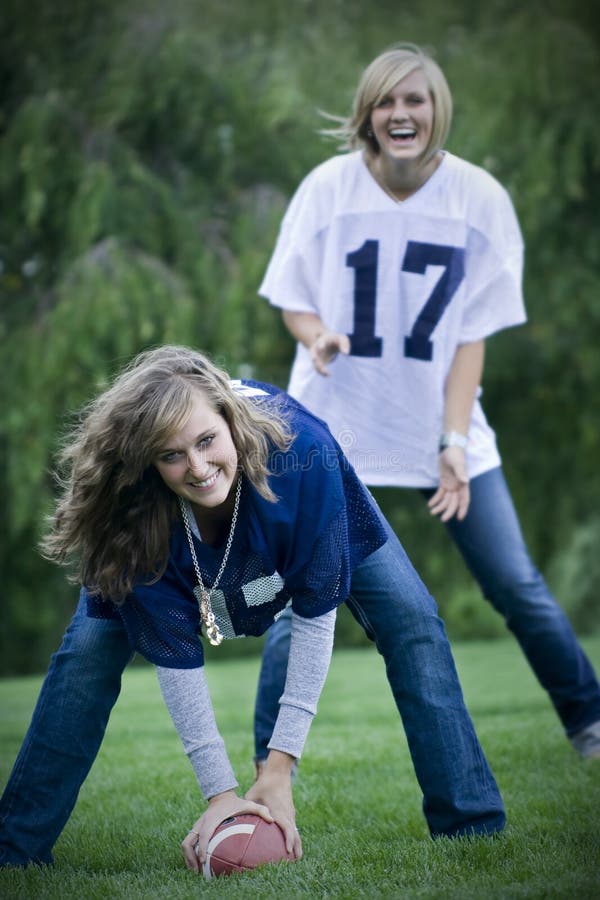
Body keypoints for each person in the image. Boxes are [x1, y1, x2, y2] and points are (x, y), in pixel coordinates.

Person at [0, 344, 505, 872]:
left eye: (206, 441)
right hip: (161, 527)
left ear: (228, 417)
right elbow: (178, 663)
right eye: (171, 455)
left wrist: (280, 766)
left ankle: (470, 827)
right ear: (148, 461)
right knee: (86, 653)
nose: (197, 467)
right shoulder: (133, 510)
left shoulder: (303, 455)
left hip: (300, 484)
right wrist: (220, 794)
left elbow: (312, 623)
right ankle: (15, 853)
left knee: (412, 618)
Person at [254, 42, 600, 769]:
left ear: (437, 109)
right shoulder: (328, 187)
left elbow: (470, 338)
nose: (401, 113)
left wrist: (452, 439)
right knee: (295, 598)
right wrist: (317, 338)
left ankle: (589, 721)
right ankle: (268, 769)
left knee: (515, 583)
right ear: (367, 114)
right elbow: (294, 298)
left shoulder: (479, 198)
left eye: (415, 100)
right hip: (333, 425)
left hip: (440, 424)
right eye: (387, 101)